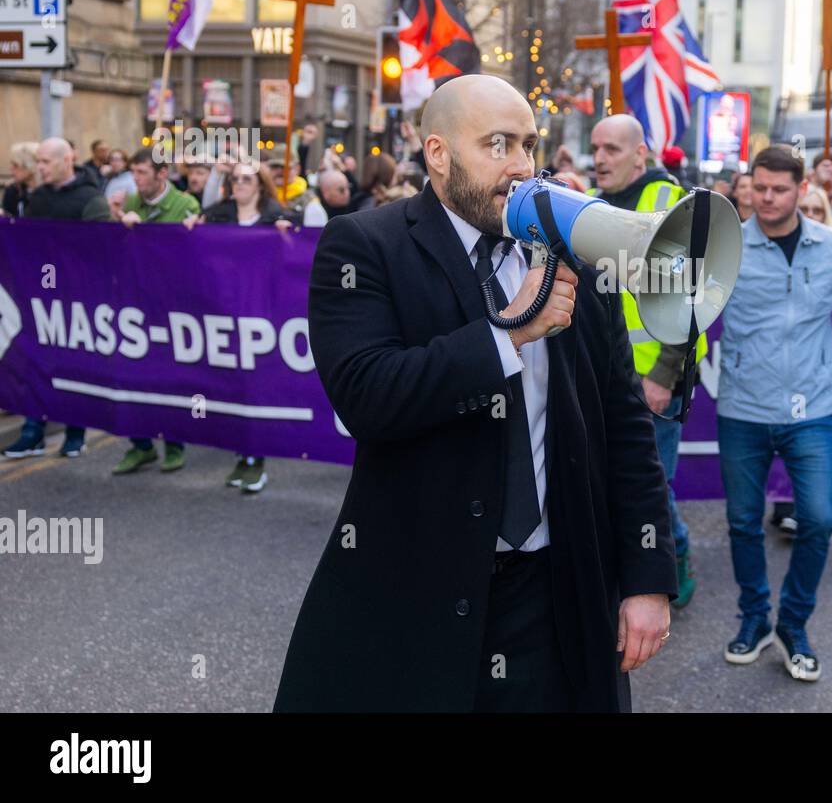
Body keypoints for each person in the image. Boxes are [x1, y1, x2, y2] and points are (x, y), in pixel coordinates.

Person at [274, 75, 675, 712]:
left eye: (528, 145)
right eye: (497, 144)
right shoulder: (366, 246)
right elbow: (368, 398)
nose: (520, 167)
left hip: (556, 590)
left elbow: (625, 428)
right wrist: (507, 333)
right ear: (439, 154)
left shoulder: (569, 252)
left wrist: (650, 579)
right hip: (418, 591)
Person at [718, 144, 832, 681]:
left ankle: (793, 625)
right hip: (743, 407)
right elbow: (690, 312)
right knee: (743, 522)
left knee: (818, 520)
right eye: (760, 188)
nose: (767, 199)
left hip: (812, 409)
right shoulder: (727, 247)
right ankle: (754, 619)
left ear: (801, 190)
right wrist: (667, 377)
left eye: (779, 189)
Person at [589, 113, 702, 608]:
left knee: (652, 483)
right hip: (604, 374)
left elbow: (690, 298)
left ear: (641, 154)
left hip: (654, 379)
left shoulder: (669, 204)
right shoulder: (592, 207)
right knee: (609, 478)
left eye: (612, 149)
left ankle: (674, 562)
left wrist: (661, 376)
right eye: (596, 148)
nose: (599, 159)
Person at [183, 161, 290, 492]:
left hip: (261, 313)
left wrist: (287, 238)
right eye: (235, 179)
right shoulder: (218, 215)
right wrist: (190, 227)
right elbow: (197, 251)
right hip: (223, 310)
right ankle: (241, 457)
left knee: (254, 385)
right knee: (229, 384)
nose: (241, 184)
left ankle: (256, 460)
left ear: (260, 184)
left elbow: (290, 262)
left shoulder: (276, 217)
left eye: (247, 179)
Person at [1, 137, 107, 460]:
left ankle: (75, 433)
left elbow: (104, 251)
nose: (40, 168)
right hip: (38, 296)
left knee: (73, 365)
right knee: (37, 361)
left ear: (67, 160)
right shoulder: (38, 199)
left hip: (76, 298)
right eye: (39, 161)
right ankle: (32, 432)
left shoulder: (91, 200)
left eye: (46, 162)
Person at [109, 149, 200, 476]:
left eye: (143, 172)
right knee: (132, 374)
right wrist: (118, 220)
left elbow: (189, 254)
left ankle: (174, 444)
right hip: (134, 304)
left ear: (162, 174)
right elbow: (112, 252)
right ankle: (141, 445)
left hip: (170, 306)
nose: (136, 179)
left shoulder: (185, 205)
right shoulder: (131, 203)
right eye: (133, 172)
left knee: (168, 377)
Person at [2, 141, 39, 217]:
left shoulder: (49, 192)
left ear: (31, 166)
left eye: (16, 165)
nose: (11, 169)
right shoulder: (12, 191)